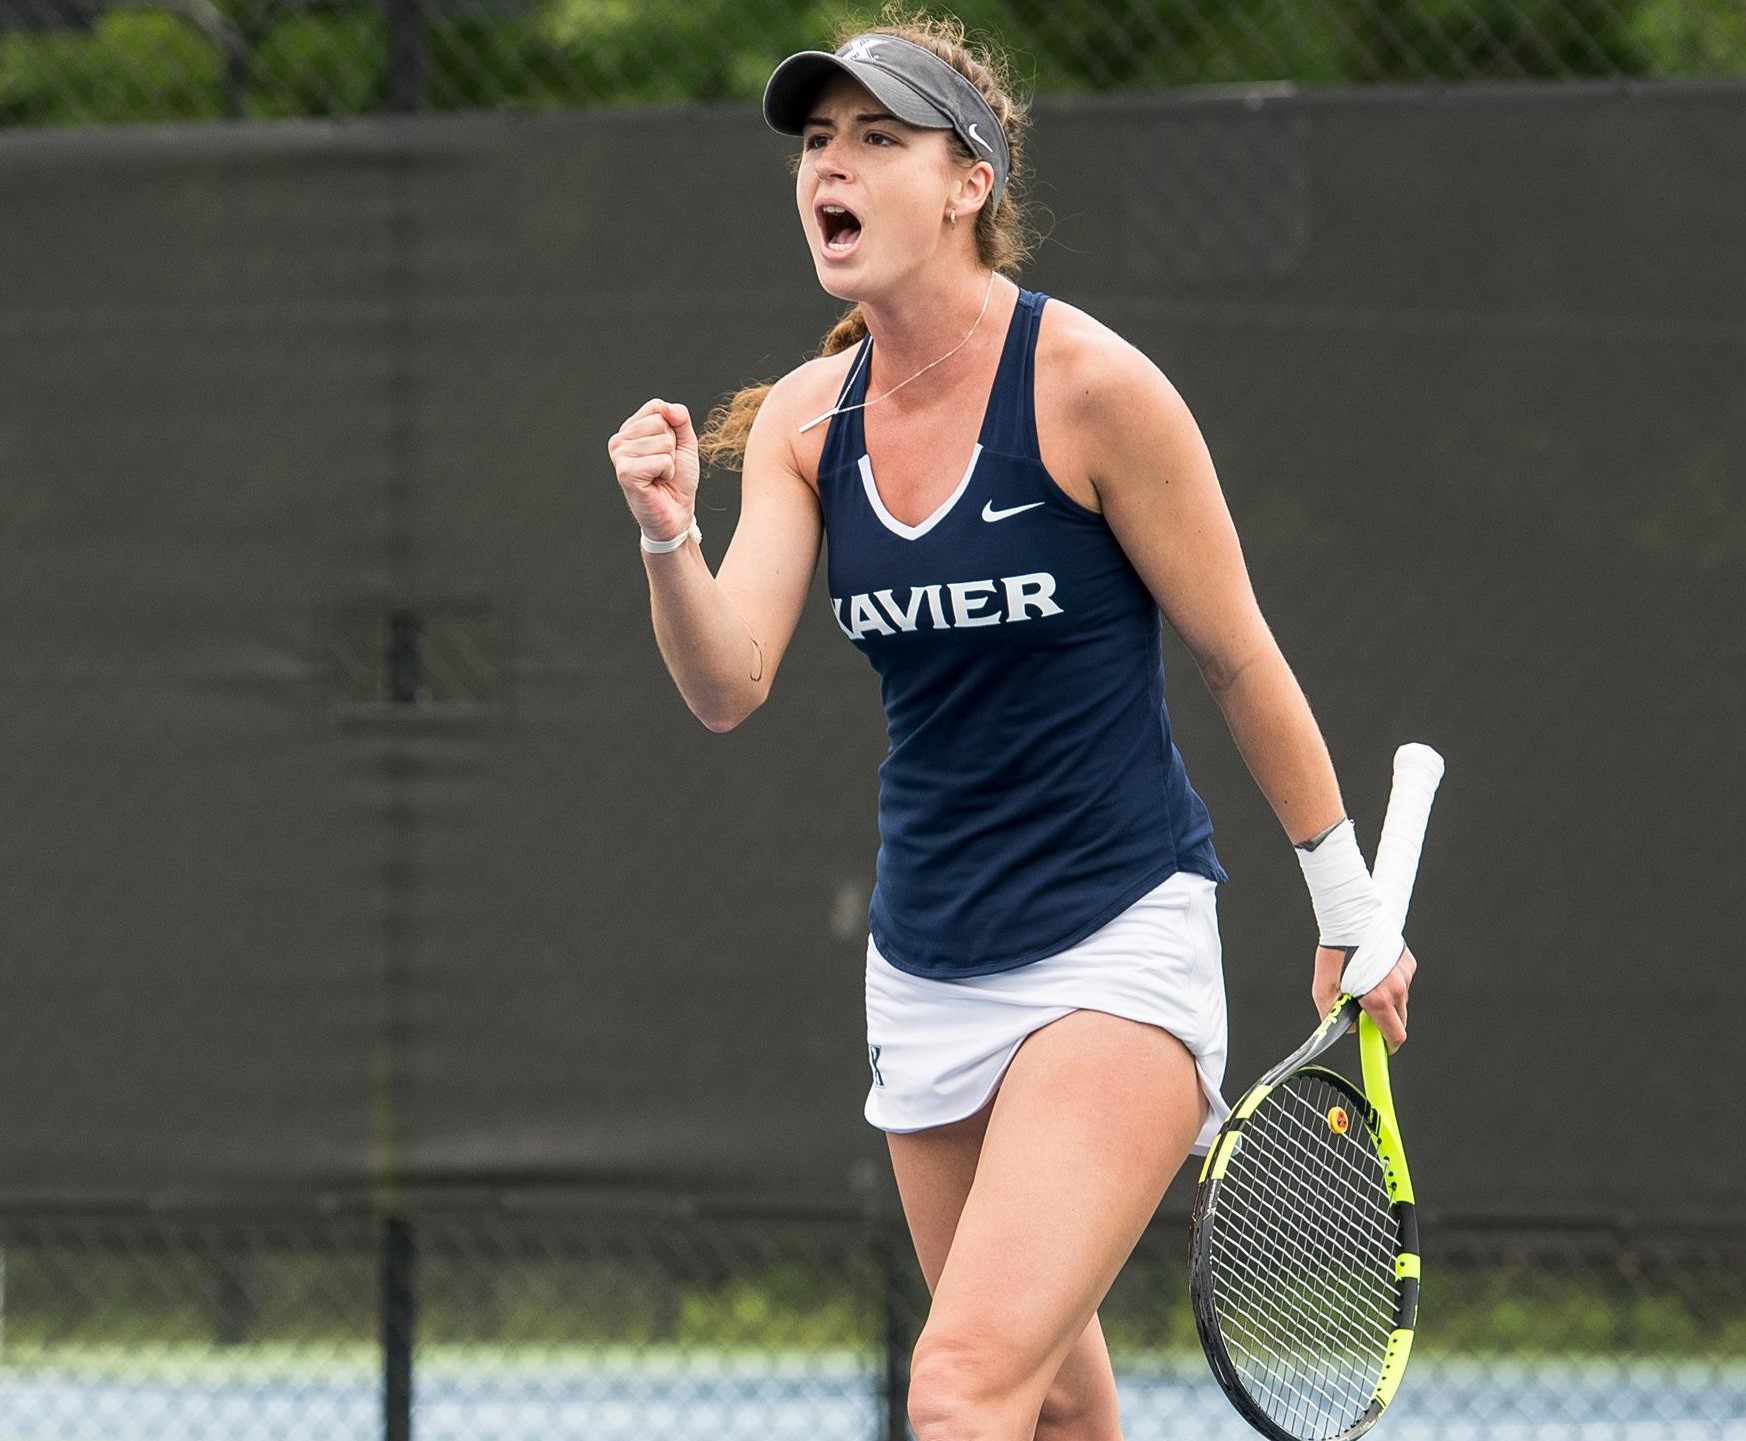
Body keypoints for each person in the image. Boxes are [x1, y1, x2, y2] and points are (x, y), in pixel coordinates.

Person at [603, 15, 1421, 1440]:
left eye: (876, 139)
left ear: (968, 181)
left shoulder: (1094, 389)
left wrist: (1346, 899)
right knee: (1046, 1411)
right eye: (816, 143)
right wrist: (670, 538)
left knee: (960, 1383)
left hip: (1119, 946)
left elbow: (1236, 656)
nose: (830, 169)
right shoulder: (808, 423)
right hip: (926, 973)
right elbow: (728, 681)